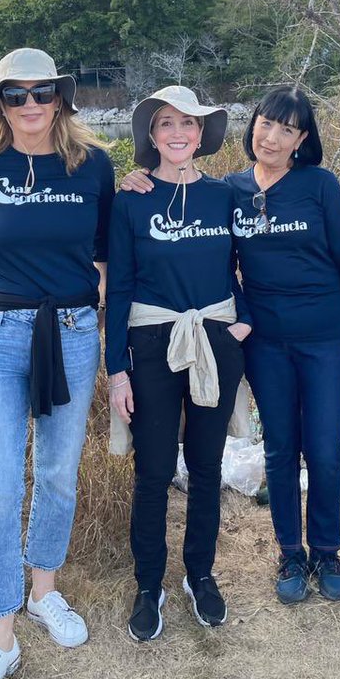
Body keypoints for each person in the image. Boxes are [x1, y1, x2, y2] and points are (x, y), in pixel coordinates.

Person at [119, 84, 340, 605]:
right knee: (280, 447)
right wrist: (134, 178)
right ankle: (290, 551)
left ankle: (327, 549)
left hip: (324, 336)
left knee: (324, 449)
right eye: (266, 123)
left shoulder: (319, 186)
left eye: (287, 129)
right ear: (250, 124)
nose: (273, 137)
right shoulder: (231, 190)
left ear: (302, 139)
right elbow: (215, 260)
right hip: (263, 344)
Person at [0, 48, 114, 679]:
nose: (32, 104)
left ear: (62, 98)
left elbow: (106, 245)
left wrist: (94, 306)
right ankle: (1, 639)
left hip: (70, 333)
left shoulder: (91, 165)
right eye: (17, 95)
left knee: (59, 472)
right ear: (0, 103)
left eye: (44, 92)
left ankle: (44, 590)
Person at [105, 86, 252, 642]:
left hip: (217, 341)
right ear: (152, 135)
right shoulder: (130, 200)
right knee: (154, 470)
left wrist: (243, 324)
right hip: (149, 345)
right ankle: (149, 585)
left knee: (207, 465)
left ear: (201, 135)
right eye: (166, 123)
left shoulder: (225, 196)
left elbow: (255, 264)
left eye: (188, 124)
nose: (177, 133)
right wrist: (115, 369)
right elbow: (117, 287)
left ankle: (200, 574)